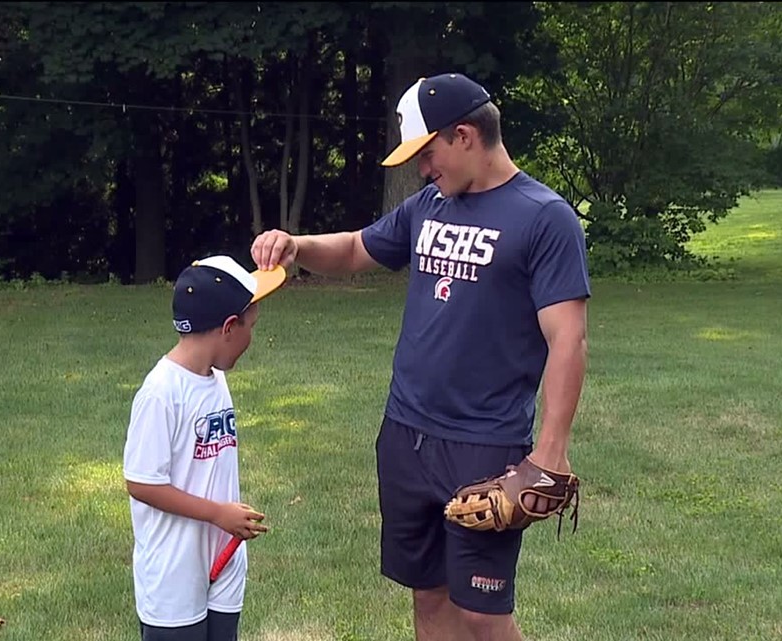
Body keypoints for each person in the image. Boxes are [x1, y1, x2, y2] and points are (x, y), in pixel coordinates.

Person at [251, 72, 591, 641]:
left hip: (485, 442)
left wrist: (549, 455)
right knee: (429, 597)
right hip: (407, 433)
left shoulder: (544, 218)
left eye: (427, 154)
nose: (423, 170)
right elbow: (359, 248)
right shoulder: (430, 205)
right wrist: (298, 246)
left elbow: (568, 340)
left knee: (483, 613)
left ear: (464, 136)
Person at [123, 255, 287, 641]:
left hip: (224, 555)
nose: (252, 336)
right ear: (229, 327)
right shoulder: (161, 393)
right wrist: (217, 513)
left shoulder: (215, 379)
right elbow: (141, 483)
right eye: (251, 326)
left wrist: (225, 521)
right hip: (174, 568)